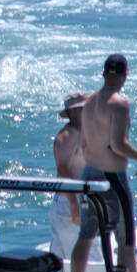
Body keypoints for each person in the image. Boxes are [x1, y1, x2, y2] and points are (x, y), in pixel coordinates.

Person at [66, 54, 137, 272]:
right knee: (125, 238)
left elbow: (85, 144)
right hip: (112, 179)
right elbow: (118, 145)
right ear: (125, 74)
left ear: (103, 74)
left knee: (86, 234)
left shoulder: (89, 103)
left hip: (89, 175)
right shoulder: (119, 103)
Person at [50, 92, 91, 261]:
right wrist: (75, 206)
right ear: (73, 112)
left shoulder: (83, 132)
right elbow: (63, 171)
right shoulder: (67, 135)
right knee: (88, 260)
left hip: (73, 204)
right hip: (70, 205)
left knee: (60, 264)